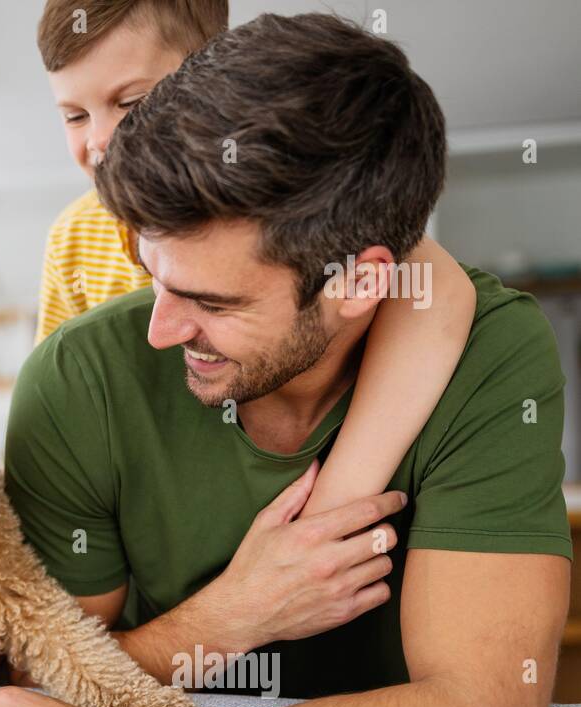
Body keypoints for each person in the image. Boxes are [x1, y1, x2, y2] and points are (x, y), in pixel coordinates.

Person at [0, 13, 571, 707]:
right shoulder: (78, 378)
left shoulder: (491, 354)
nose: (160, 327)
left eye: (211, 300)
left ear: (359, 281)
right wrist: (230, 617)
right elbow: (36, 680)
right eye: (154, 273)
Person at [34, 0, 475, 519]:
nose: (101, 141)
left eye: (132, 102)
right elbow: (57, 408)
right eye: (74, 116)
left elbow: (437, 296)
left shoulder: (312, 220)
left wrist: (330, 510)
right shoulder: (73, 237)